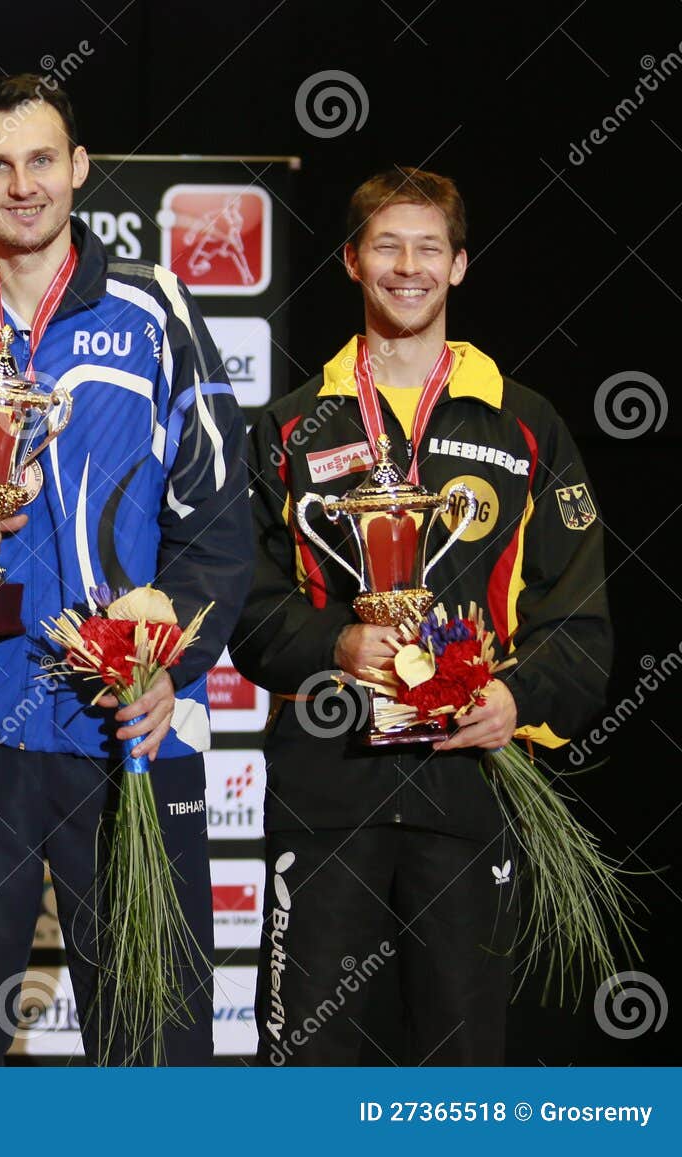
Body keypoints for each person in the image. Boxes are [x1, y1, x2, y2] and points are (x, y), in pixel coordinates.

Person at [0, 74, 252, 1065]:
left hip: (126, 720)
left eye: (42, 159)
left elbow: (215, 518)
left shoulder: (156, 312)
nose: (23, 184)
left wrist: (169, 663)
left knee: (156, 1046)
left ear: (79, 169)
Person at [231, 166, 612, 1064]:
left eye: (429, 248)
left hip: (469, 791)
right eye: (388, 247)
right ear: (352, 262)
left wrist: (516, 701)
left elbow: (582, 622)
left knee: (464, 1066)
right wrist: (338, 640)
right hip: (327, 785)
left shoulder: (526, 426)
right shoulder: (292, 428)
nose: (410, 267)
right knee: (305, 1067)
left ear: (461, 265)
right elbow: (240, 606)